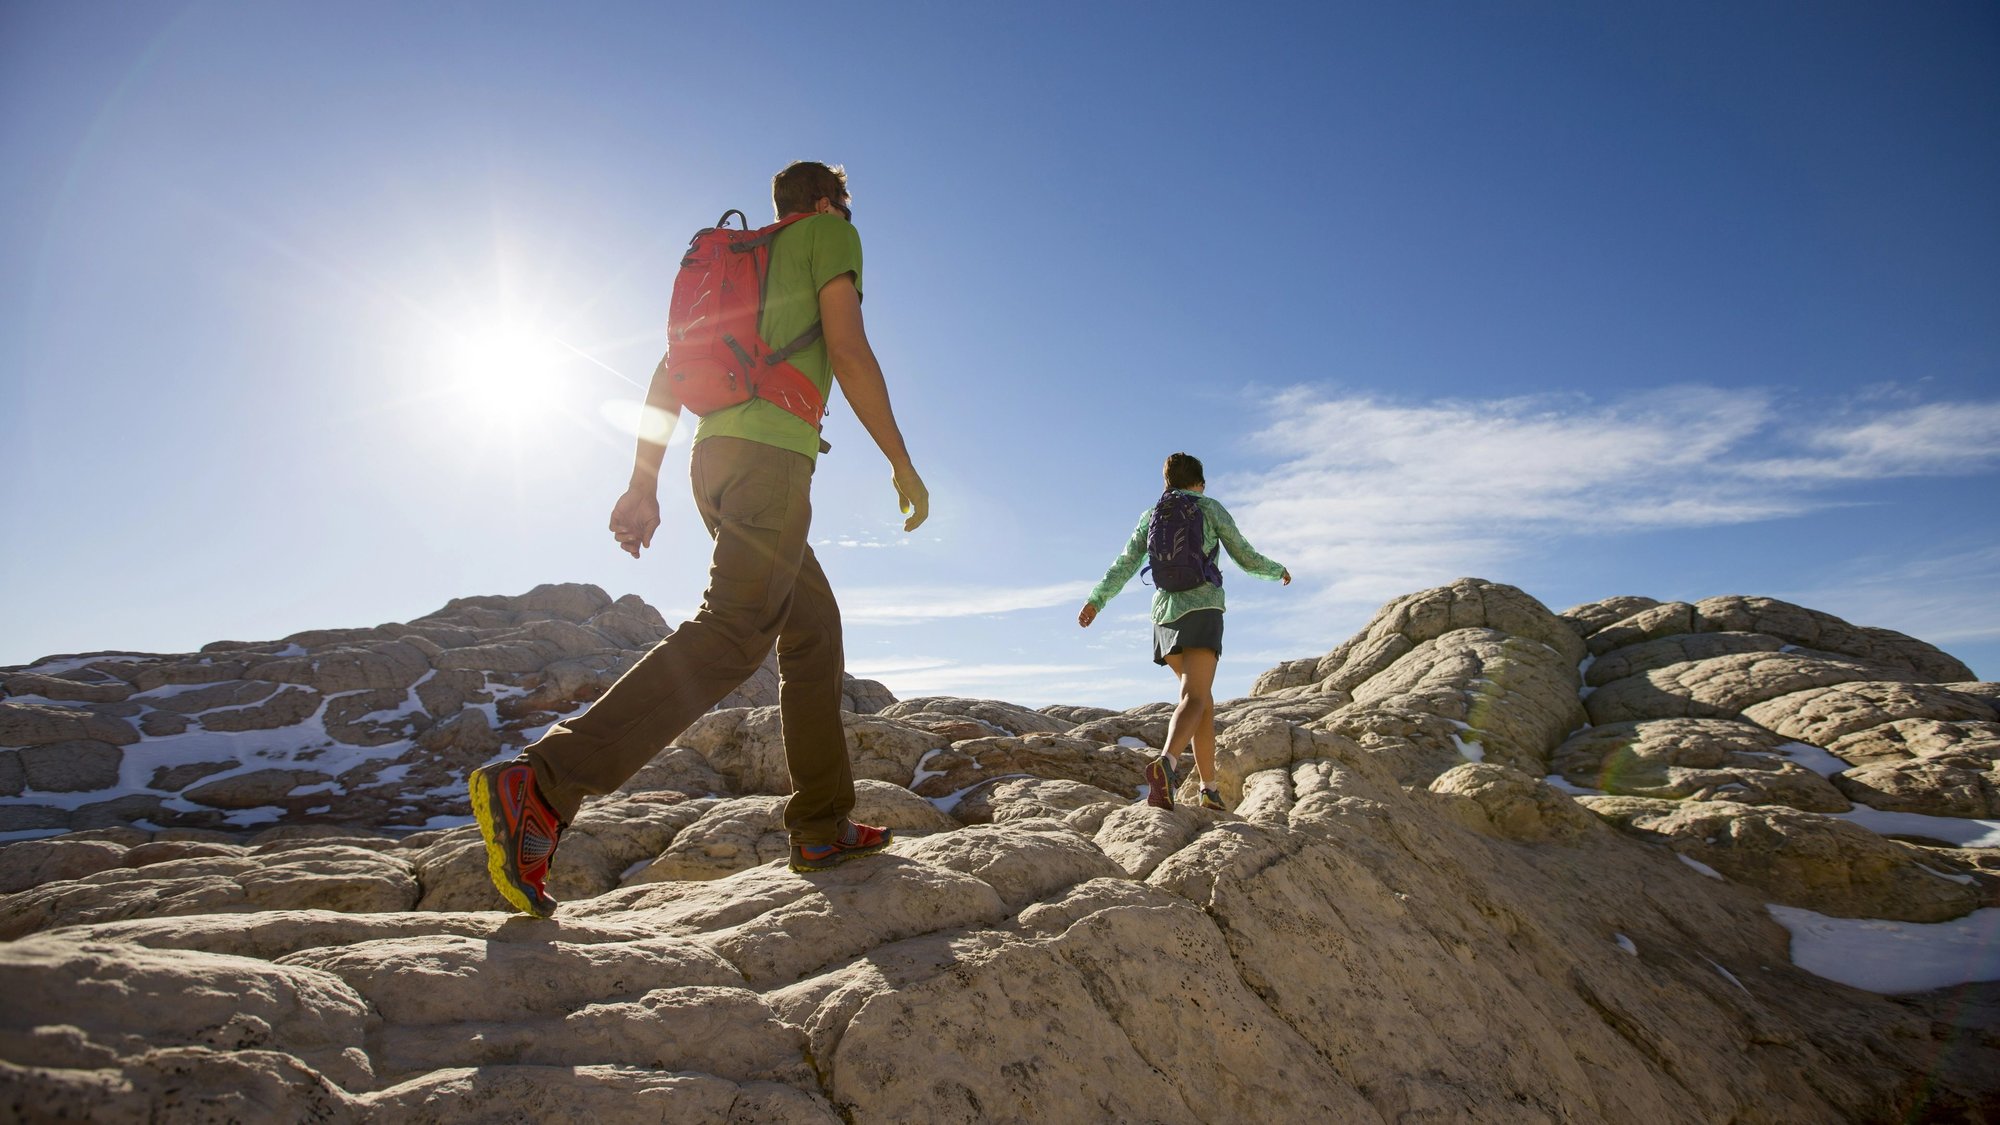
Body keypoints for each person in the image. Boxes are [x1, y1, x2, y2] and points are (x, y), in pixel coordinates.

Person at [469, 160, 930, 917]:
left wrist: (644, 481)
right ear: (825, 202)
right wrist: (901, 461)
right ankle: (544, 782)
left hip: (712, 461)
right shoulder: (828, 237)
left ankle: (819, 824)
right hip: (771, 462)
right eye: (844, 204)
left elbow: (667, 370)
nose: (847, 214)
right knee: (735, 632)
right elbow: (847, 349)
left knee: (812, 628)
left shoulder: (739, 261)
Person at [1078, 452, 1288, 811]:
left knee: (1200, 699)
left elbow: (1125, 564)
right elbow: (1245, 556)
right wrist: (1277, 570)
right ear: (1200, 483)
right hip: (1202, 609)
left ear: (1167, 483)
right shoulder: (1209, 507)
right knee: (1195, 697)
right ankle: (1167, 764)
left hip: (1164, 617)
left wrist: (1096, 600)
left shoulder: (1152, 515)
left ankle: (1209, 790)